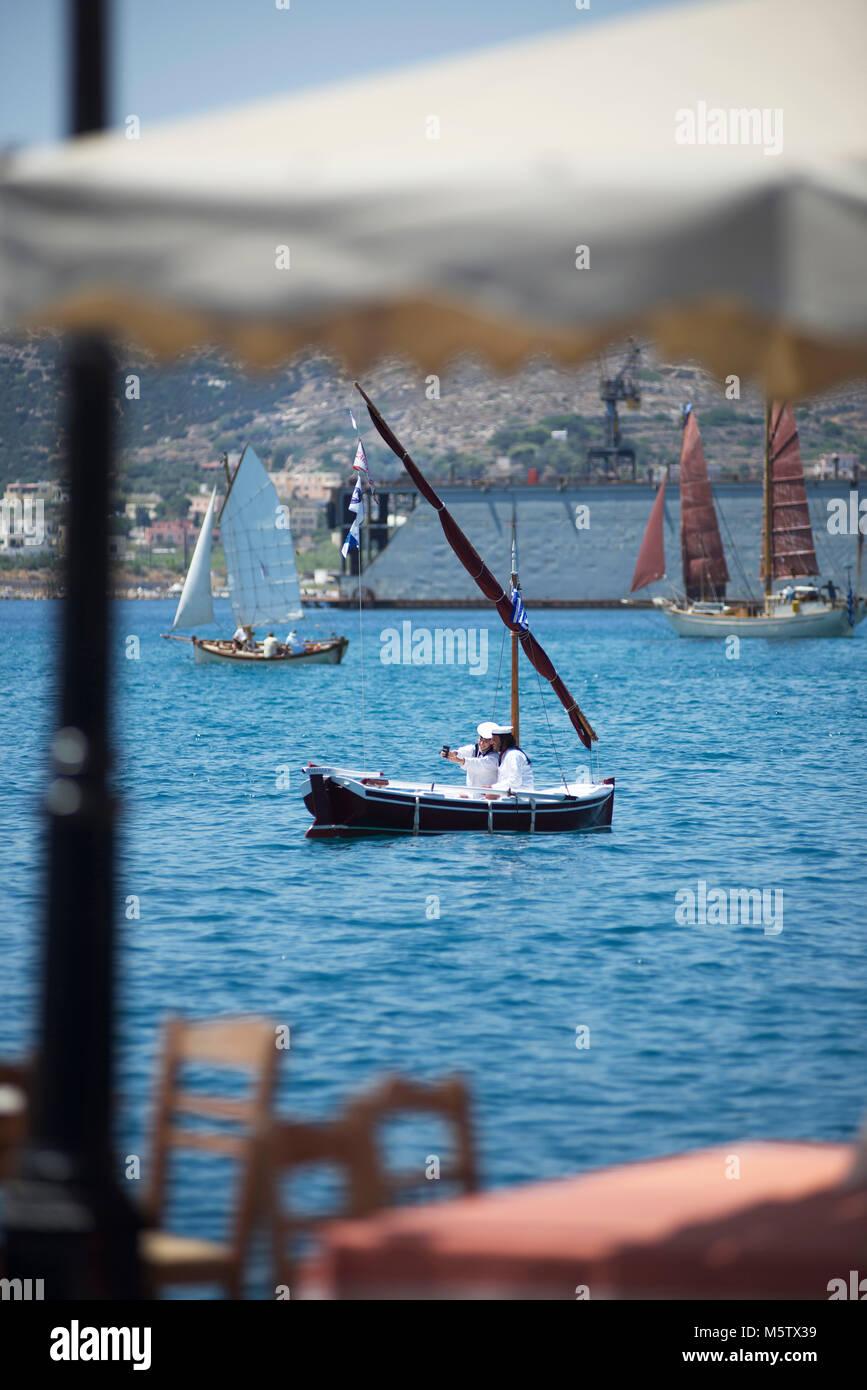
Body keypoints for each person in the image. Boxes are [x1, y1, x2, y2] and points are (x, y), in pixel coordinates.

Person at [441, 722, 500, 788]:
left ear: (491, 742)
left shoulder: (494, 758)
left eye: (485, 741)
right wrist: (453, 753)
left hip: (487, 795)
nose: (481, 743)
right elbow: (463, 751)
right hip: (472, 792)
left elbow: (478, 764)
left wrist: (461, 761)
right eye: (480, 739)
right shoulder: (474, 749)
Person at [489, 726, 534, 793]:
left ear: (503, 740)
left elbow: (515, 781)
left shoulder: (514, 755)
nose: (491, 743)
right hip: (511, 794)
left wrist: (492, 787)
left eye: (494, 740)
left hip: (522, 796)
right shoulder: (505, 754)